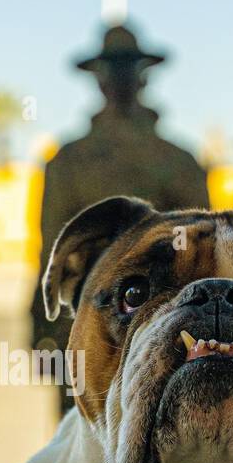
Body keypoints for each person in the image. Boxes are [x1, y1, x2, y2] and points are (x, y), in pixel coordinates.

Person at [32, 24, 209, 414]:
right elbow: (51, 252)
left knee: (96, 450)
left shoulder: (73, 159)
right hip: (121, 329)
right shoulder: (173, 159)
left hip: (149, 331)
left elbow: (203, 254)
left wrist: (43, 327)